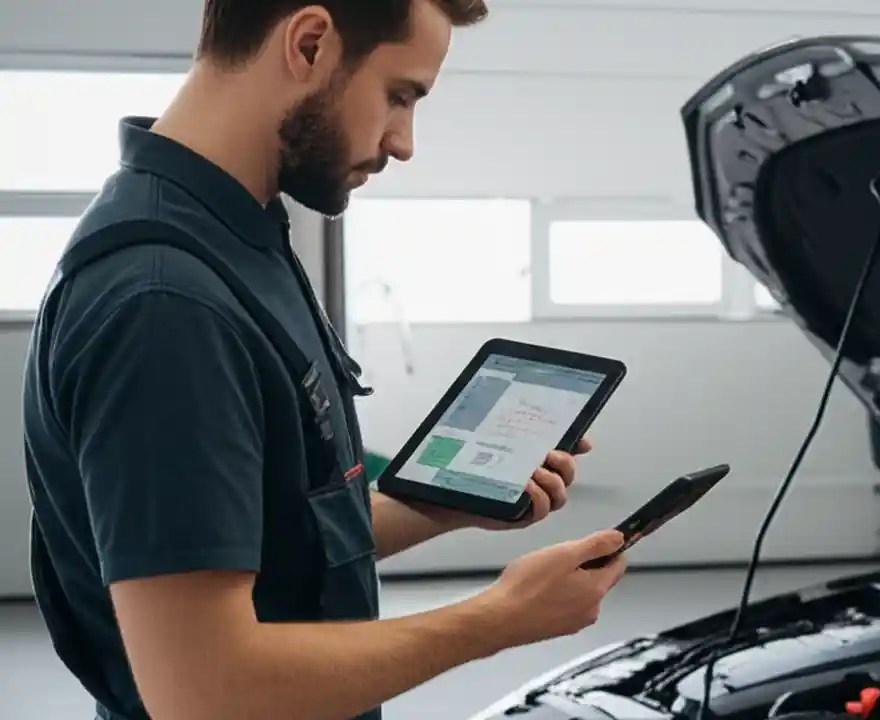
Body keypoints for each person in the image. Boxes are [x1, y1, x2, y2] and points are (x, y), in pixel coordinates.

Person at [20, 2, 628, 719]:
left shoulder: (234, 241)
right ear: (310, 43)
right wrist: (499, 618)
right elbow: (203, 688)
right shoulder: (167, 303)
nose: (403, 142)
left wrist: (441, 505)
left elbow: (283, 534)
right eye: (400, 95)